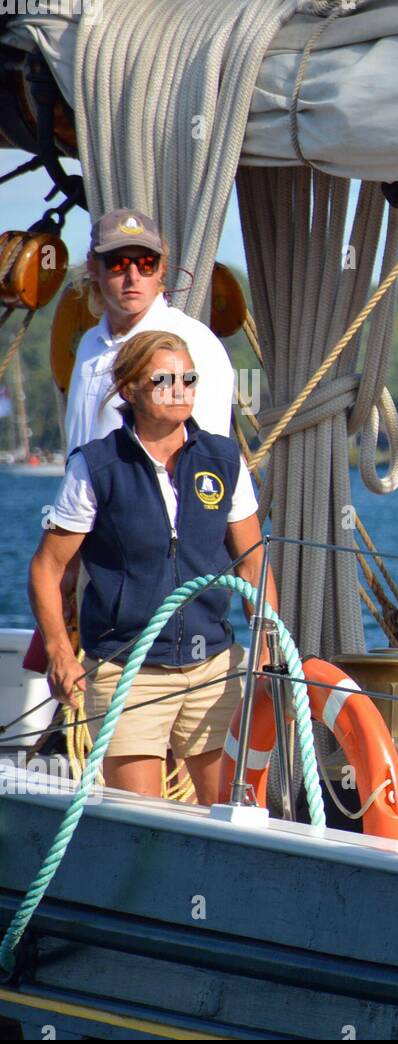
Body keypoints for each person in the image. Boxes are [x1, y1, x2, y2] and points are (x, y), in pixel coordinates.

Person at [29, 330, 272, 806]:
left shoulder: (224, 461)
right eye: (163, 379)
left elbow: (253, 565)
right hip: (127, 668)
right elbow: (46, 568)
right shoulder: (96, 468)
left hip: (213, 665)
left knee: (232, 815)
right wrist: (59, 651)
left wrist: (264, 644)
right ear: (129, 390)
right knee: (146, 825)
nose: (180, 389)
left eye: (189, 379)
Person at [64, 208, 236, 452]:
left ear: (161, 269)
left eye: (146, 264)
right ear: (93, 267)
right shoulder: (90, 344)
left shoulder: (195, 344)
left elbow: (208, 456)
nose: (133, 277)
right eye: (118, 263)